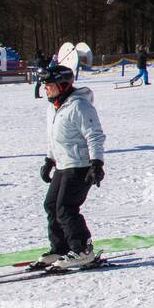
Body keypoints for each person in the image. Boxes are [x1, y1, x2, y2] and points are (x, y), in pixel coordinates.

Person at [38, 64, 106, 268]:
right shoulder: (54, 106)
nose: (45, 89)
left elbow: (95, 135)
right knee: (51, 206)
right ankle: (61, 248)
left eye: (49, 85)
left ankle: (83, 250)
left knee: (66, 208)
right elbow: (54, 138)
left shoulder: (80, 106)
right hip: (63, 163)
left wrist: (97, 163)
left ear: (63, 84)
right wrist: (49, 160)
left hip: (80, 165)